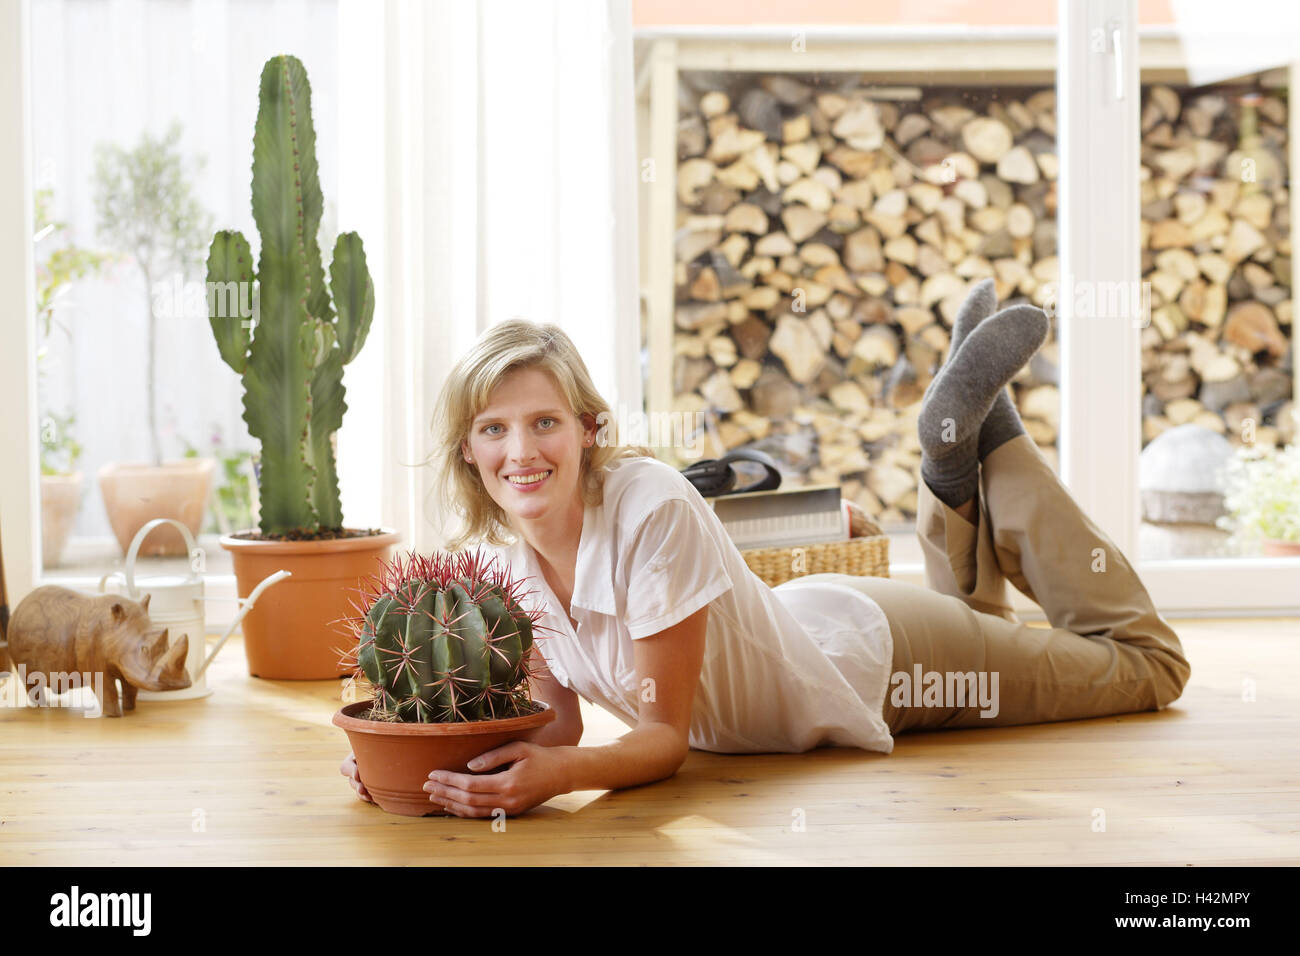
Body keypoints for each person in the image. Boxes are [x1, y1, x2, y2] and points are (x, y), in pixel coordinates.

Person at [342, 283, 1190, 817]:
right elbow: (555, 726)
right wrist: (424, 766)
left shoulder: (650, 507)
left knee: (1145, 665)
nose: (520, 450)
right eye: (494, 428)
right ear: (467, 449)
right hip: (823, 625)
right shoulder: (504, 566)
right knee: (979, 620)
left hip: (884, 667)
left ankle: (992, 444)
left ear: (589, 431)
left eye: (544, 422)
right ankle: (960, 447)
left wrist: (554, 780)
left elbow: (665, 739)